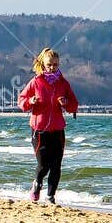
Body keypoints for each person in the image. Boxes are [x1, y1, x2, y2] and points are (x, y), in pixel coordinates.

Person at [17, 48, 79, 204]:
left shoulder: (63, 83)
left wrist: (66, 103)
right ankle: (36, 186)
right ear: (43, 65)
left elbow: (74, 104)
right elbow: (21, 101)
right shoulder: (36, 82)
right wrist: (30, 102)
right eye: (49, 65)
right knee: (43, 165)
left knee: (56, 165)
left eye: (55, 65)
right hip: (39, 130)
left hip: (58, 130)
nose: (52, 68)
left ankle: (51, 196)